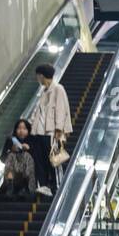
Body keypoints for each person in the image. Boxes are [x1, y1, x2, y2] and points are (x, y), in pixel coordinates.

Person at [33, 62, 72, 197]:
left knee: (53, 160)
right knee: (41, 159)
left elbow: (61, 110)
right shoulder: (43, 92)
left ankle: (58, 186)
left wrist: (58, 129)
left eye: (38, 76)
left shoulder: (58, 89)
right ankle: (44, 185)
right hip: (39, 132)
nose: (37, 79)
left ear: (42, 76)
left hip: (50, 132)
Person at [1, 118, 36, 199]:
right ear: (15, 129)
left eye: (24, 128)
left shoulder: (32, 140)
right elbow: (2, 158)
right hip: (13, 174)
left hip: (27, 176)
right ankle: (10, 186)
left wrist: (29, 149)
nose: (21, 131)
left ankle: (25, 187)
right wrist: (11, 150)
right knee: (11, 156)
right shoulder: (10, 141)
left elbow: (37, 160)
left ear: (28, 130)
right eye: (19, 128)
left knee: (26, 155)